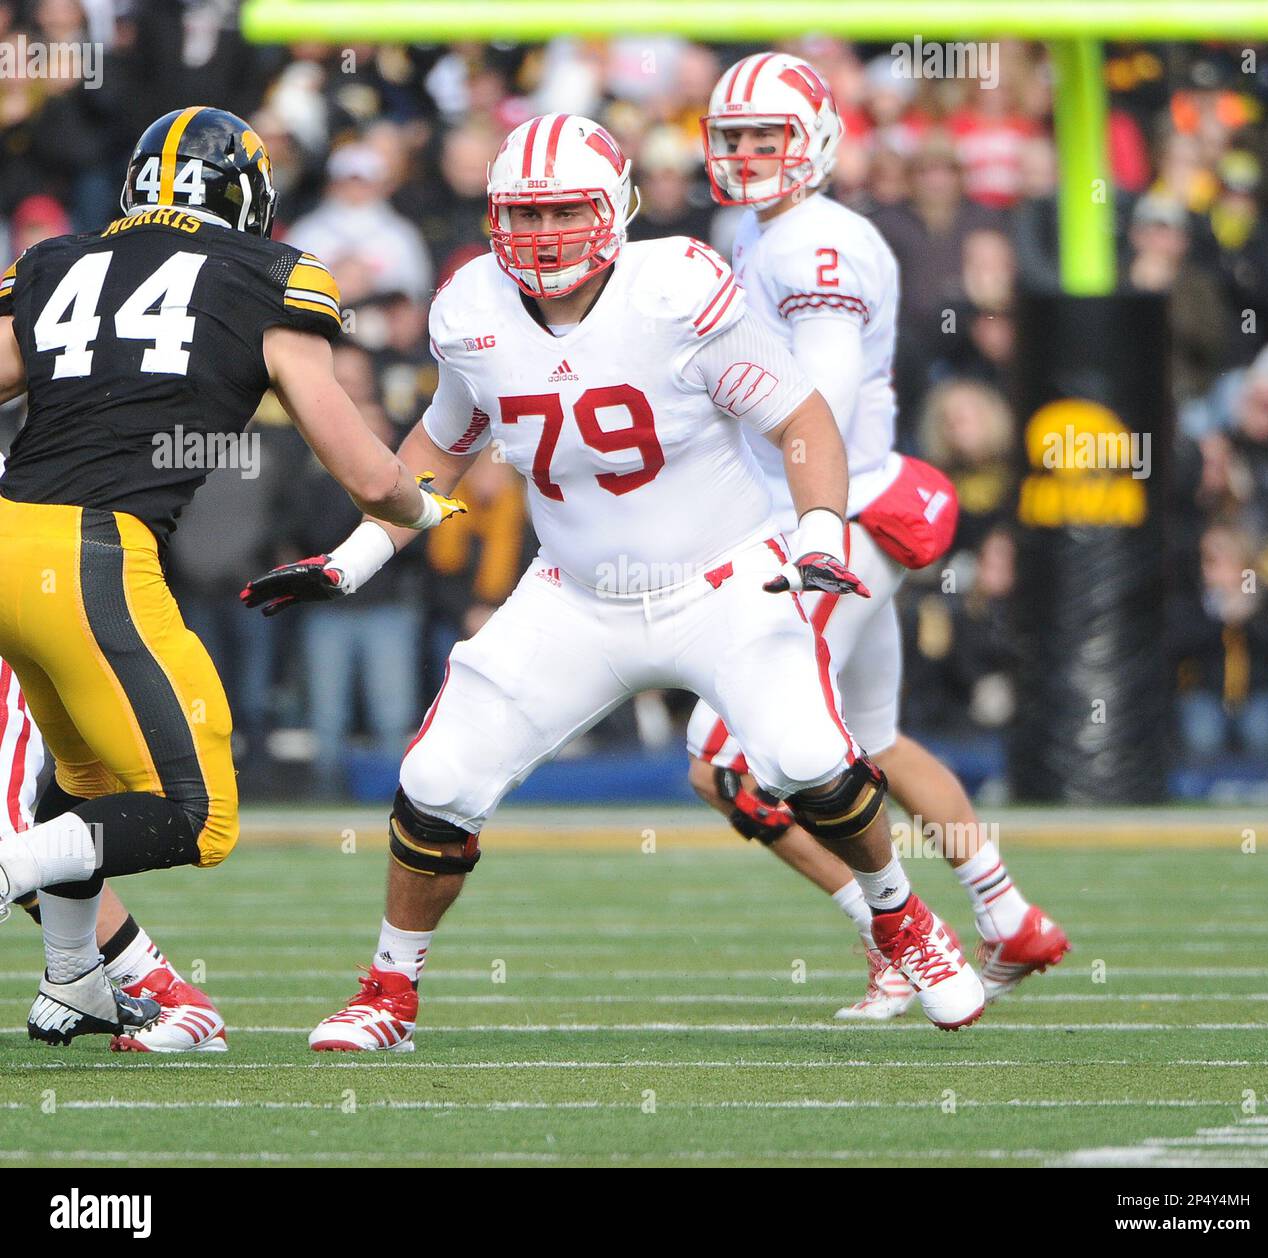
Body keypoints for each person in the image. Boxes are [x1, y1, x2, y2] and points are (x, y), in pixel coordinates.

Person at [243, 112, 988, 1050]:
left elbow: (802, 418)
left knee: (807, 760)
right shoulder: (472, 306)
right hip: (575, 596)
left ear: (616, 207)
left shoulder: (677, 287)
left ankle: (900, 919)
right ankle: (389, 992)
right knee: (435, 777)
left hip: (723, 583)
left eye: (565, 211)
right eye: (526, 213)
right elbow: (444, 443)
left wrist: (820, 532)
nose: (545, 234)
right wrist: (356, 557)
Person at [0, 106, 461, 1046]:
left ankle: (75, 978)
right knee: (197, 814)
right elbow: (370, 472)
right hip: (89, 555)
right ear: (247, 196)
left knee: (83, 784)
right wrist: (421, 509)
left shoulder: (55, 261)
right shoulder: (270, 276)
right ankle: (10, 870)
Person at [691, 53, 1069, 1021]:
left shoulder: (815, 240)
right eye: (730, 136)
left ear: (814, 137)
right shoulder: (764, 228)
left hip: (830, 521)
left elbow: (814, 393)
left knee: (726, 763)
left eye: (763, 135)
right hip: (850, 511)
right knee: (875, 738)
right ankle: (1007, 912)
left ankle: (892, 935)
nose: (743, 153)